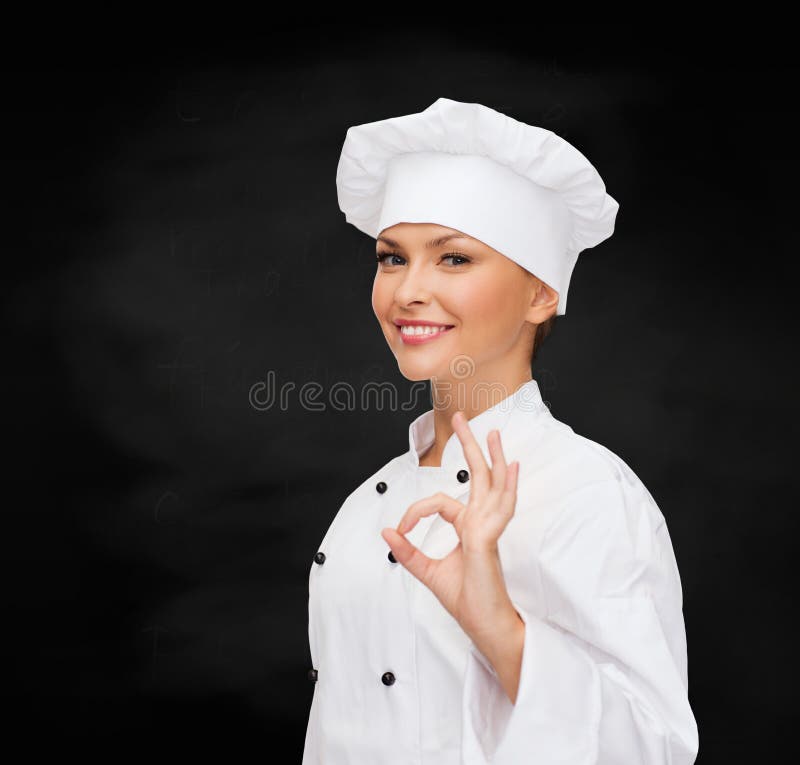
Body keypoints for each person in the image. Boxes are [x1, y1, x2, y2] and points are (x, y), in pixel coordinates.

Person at [302, 97, 699, 764]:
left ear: (541, 293)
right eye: (392, 257)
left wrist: (500, 630)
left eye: (453, 259)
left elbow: (651, 747)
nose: (407, 291)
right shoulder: (365, 504)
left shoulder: (586, 490)